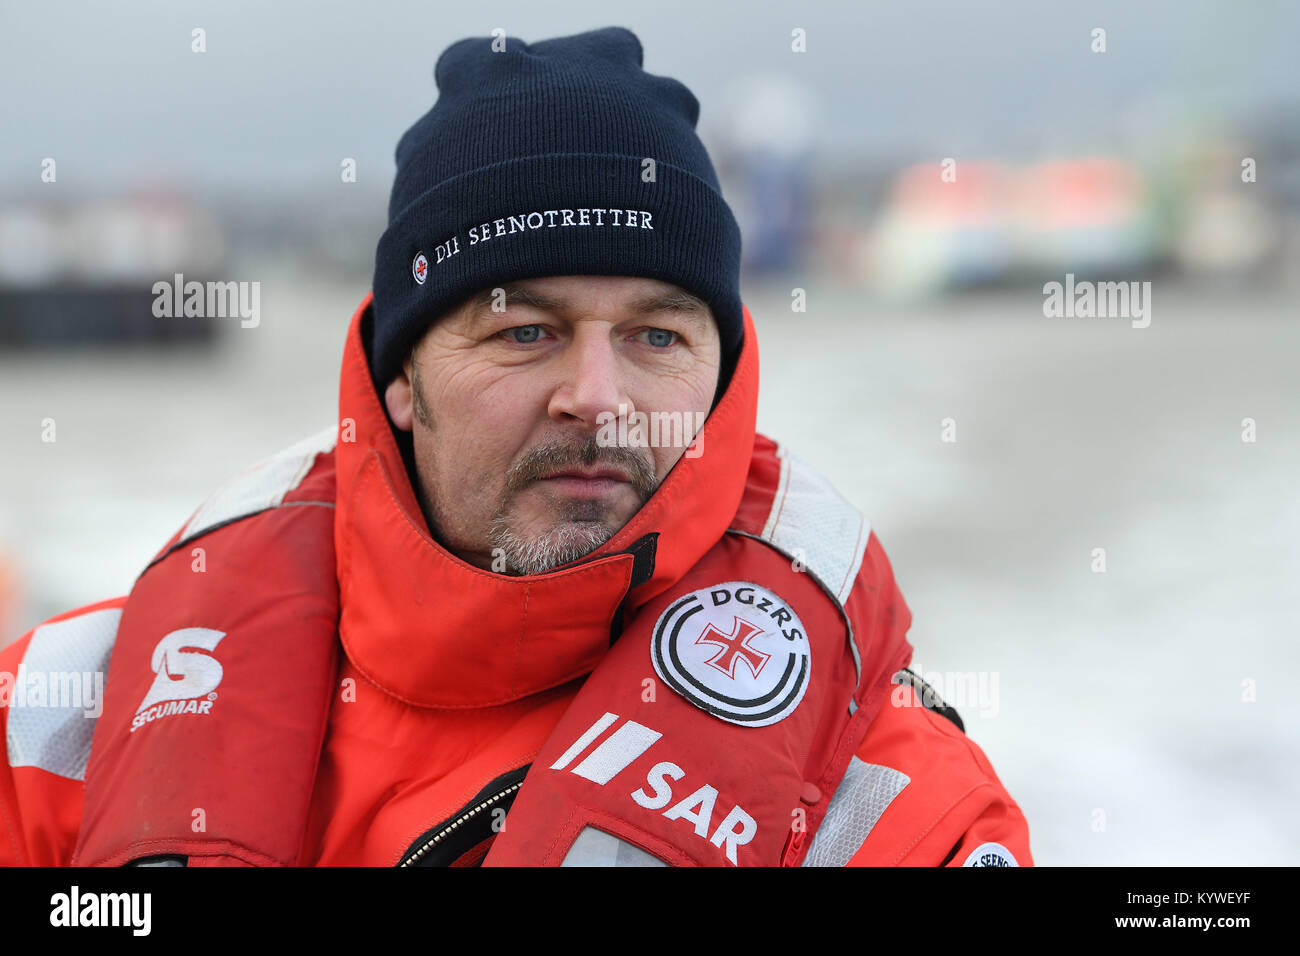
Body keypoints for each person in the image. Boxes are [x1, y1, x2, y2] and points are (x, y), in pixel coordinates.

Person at [0, 26, 1031, 867]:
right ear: (398, 376)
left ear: (717, 374)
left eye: (656, 336)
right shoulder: (67, 713)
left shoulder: (881, 805)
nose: (595, 397)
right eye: (523, 331)